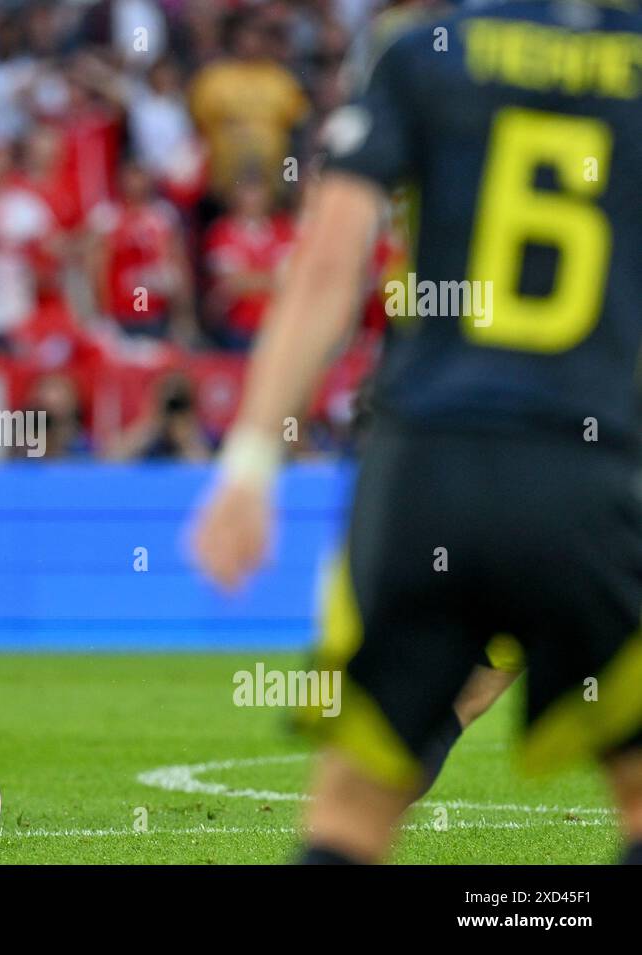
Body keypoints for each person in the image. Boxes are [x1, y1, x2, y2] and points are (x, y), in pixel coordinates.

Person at [193, 0, 642, 864]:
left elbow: (328, 264)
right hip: (586, 465)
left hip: (425, 465)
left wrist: (249, 464)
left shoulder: (424, 54)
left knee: (354, 805)